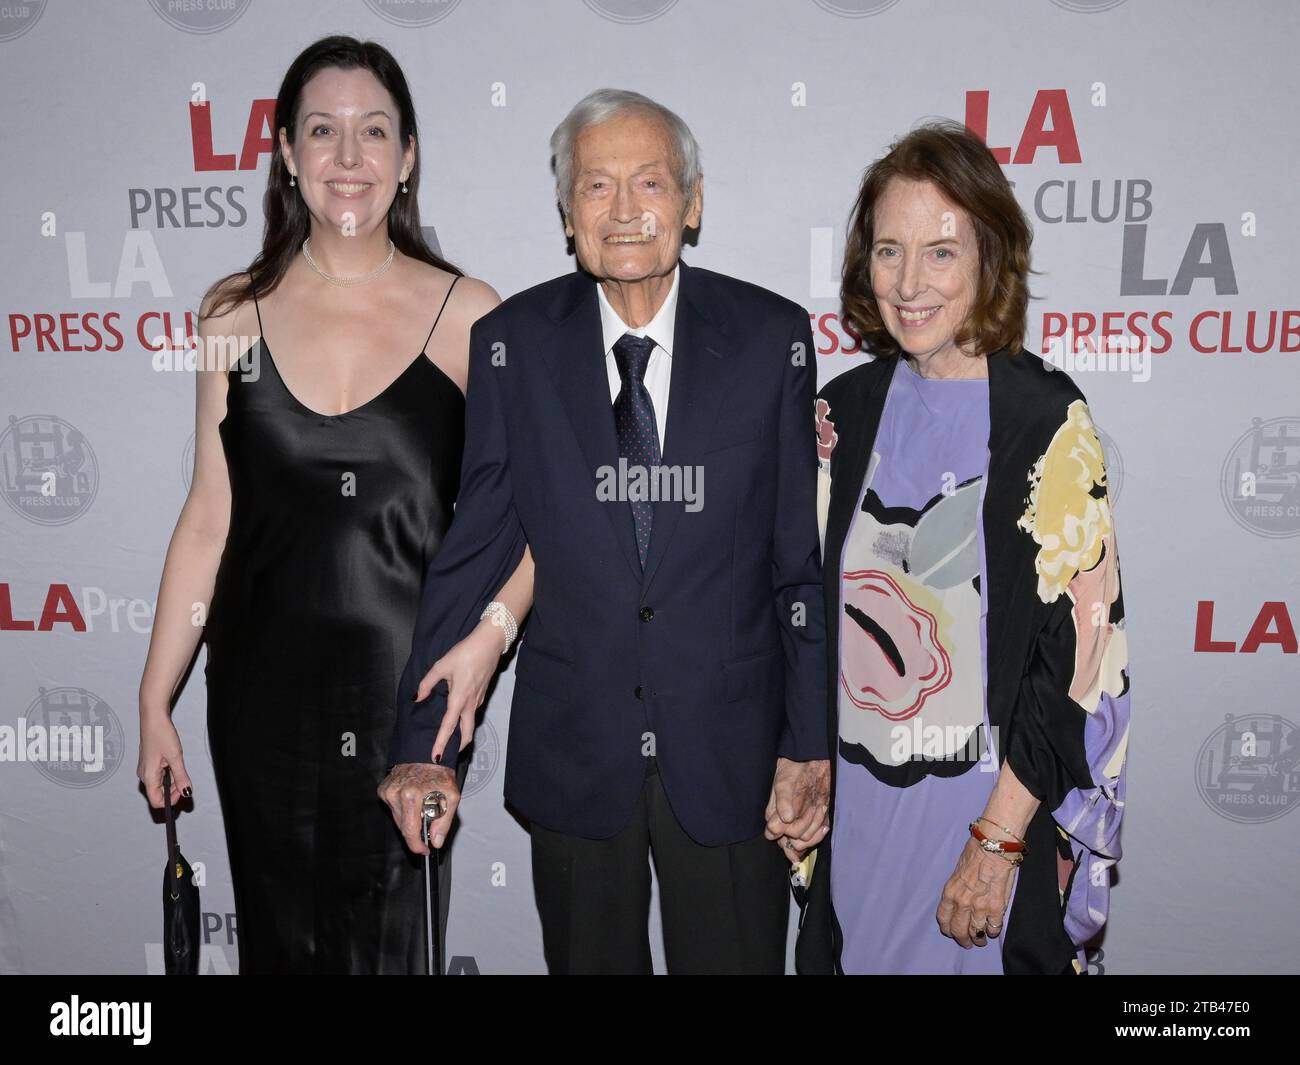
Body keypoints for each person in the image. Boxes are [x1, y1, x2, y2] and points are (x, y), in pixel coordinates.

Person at [379, 88, 829, 974]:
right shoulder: (513, 344)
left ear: (692, 203)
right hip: (577, 750)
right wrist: (419, 745)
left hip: (734, 755)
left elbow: (796, 566)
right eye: (595, 187)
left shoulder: (771, 335)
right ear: (566, 211)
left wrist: (807, 743)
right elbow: (481, 541)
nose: (624, 210)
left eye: (651, 182)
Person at [136, 35, 532, 974]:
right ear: (284, 152)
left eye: (373, 132)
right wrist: (157, 698)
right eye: (323, 131)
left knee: (395, 949)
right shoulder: (231, 313)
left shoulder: (472, 314)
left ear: (407, 159)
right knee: (280, 944)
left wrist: (488, 640)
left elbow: (530, 521)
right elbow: (208, 514)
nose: (348, 158)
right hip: (257, 698)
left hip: (413, 698)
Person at [793, 121, 1130, 975]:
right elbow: (800, 612)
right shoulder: (841, 414)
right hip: (863, 816)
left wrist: (998, 837)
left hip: (985, 815)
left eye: (940, 253)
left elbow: (1080, 661)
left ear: (990, 257)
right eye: (889, 250)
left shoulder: (1045, 421)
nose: (909, 283)